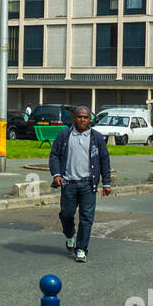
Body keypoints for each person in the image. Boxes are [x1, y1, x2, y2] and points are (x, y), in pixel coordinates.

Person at [47, 105, 112, 263]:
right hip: (68, 183)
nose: (82, 119)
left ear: (90, 119)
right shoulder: (64, 135)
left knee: (86, 218)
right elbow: (54, 155)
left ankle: (81, 248)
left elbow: (104, 159)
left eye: (86, 117)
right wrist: (56, 174)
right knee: (66, 214)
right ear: (74, 118)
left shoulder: (97, 138)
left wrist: (106, 183)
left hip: (88, 184)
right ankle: (70, 234)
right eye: (79, 117)